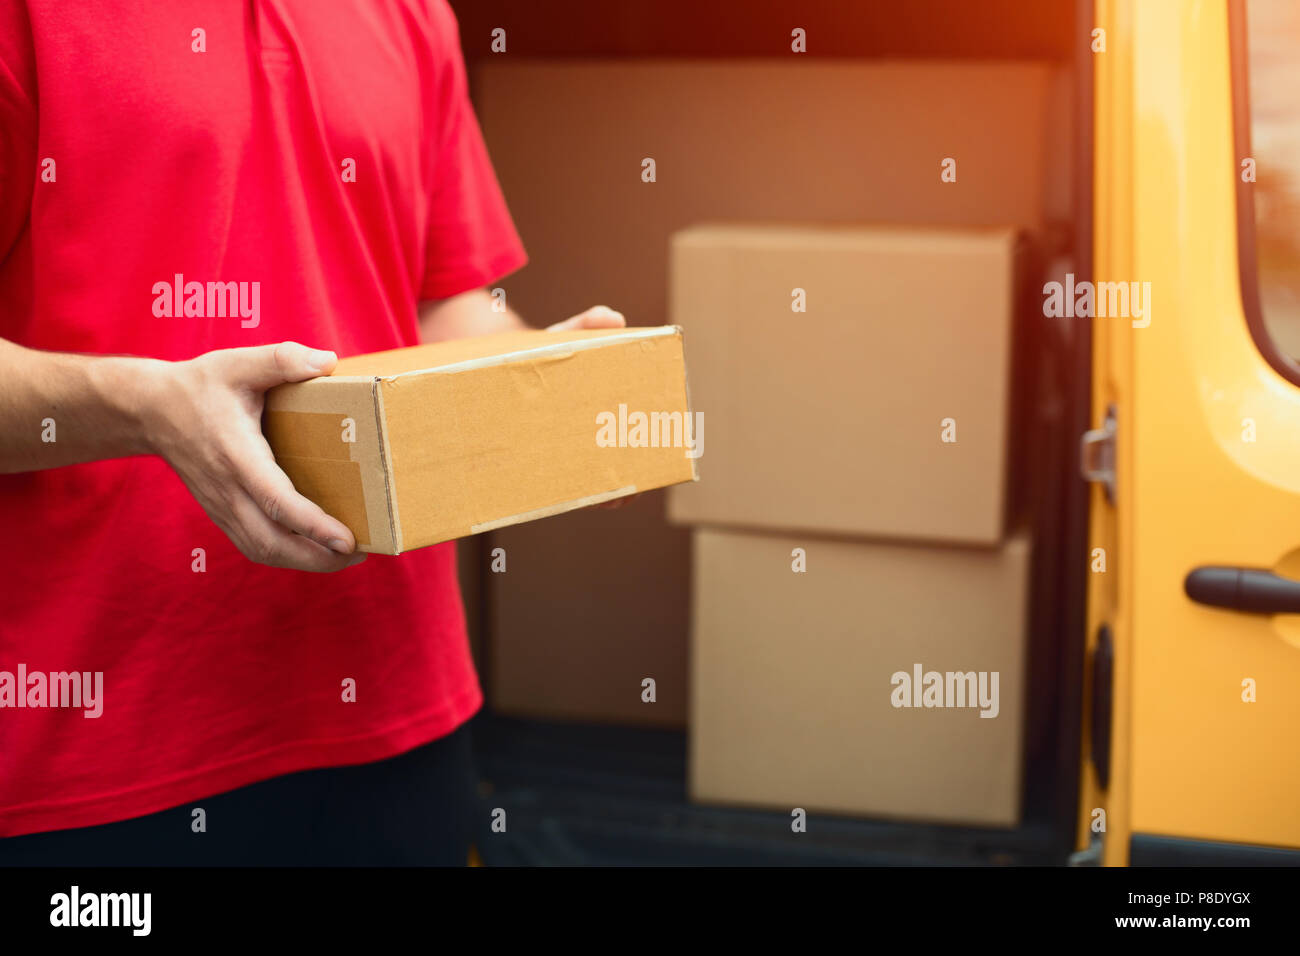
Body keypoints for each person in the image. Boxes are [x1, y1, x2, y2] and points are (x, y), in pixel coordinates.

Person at [0, 0, 621, 865]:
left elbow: (442, 301)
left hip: (396, 708)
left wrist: (538, 378)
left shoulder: (409, 12)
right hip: (98, 742)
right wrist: (143, 404)